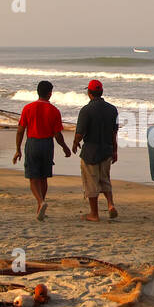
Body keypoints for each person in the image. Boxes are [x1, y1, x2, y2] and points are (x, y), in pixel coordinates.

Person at [12, 80, 70, 220]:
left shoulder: (28, 108)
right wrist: (65, 147)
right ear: (50, 94)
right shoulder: (54, 111)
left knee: (33, 178)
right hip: (47, 144)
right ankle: (40, 204)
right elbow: (57, 134)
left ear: (37, 92)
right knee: (43, 177)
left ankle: (40, 202)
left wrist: (18, 149)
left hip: (32, 143)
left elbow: (20, 130)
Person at [72, 78, 119, 221]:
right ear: (102, 92)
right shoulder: (112, 109)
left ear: (89, 93)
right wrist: (115, 150)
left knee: (91, 182)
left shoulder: (86, 110)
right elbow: (114, 132)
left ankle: (94, 214)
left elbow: (80, 133)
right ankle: (110, 204)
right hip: (107, 150)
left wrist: (75, 143)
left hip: (90, 151)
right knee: (105, 179)